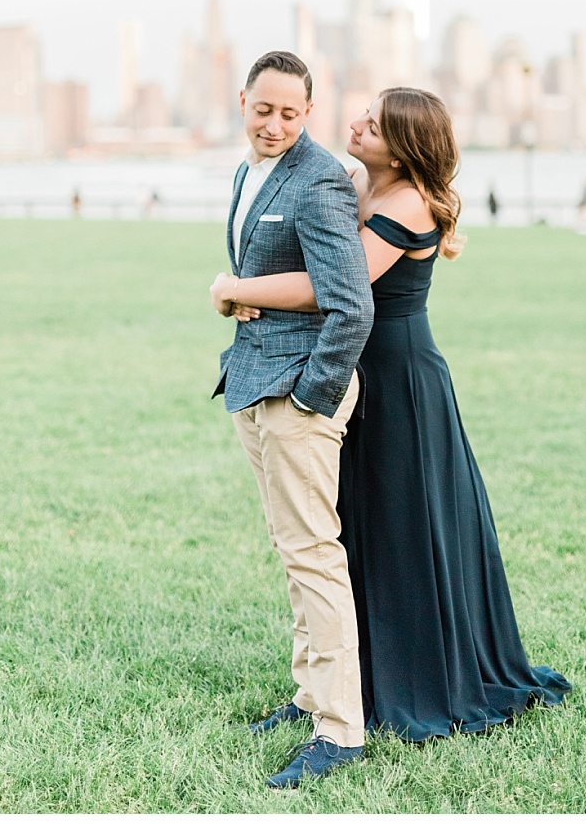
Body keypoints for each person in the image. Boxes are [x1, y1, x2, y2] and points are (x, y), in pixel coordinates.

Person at [214, 87, 570, 745]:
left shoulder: (408, 203)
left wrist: (236, 288)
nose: (356, 124)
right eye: (364, 114)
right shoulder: (355, 181)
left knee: (402, 527)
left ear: (403, 147)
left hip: (399, 376)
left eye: (374, 125)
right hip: (351, 364)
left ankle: (410, 678)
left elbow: (335, 284)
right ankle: (337, 682)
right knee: (352, 526)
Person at [208, 50, 374, 789]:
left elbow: (352, 303)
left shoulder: (321, 181)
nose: (274, 123)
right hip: (252, 381)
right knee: (290, 548)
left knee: (313, 552)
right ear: (243, 101)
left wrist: (313, 393)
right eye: (263, 108)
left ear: (308, 113)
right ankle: (310, 695)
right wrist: (241, 294)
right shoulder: (248, 170)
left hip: (297, 394)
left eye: (289, 112)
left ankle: (339, 730)